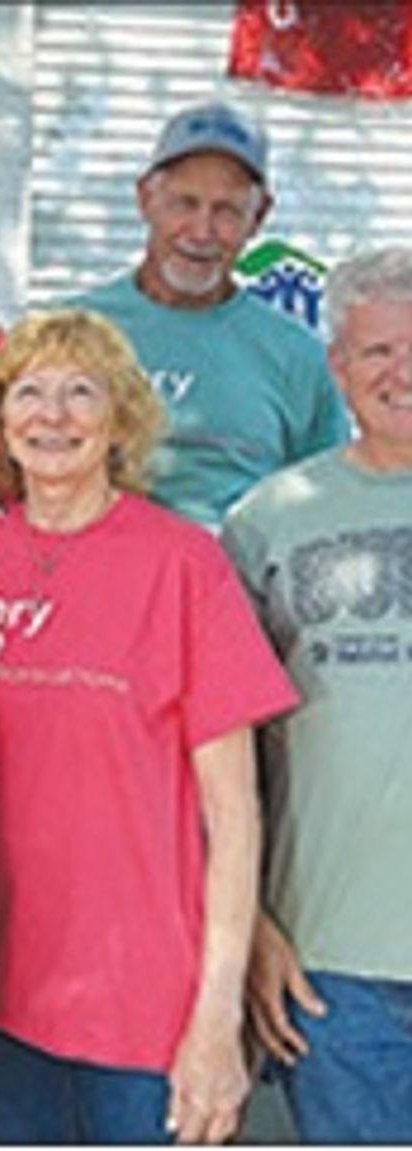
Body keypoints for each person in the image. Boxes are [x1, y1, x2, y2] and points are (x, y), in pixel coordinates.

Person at [0, 311, 298, 1143]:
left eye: (79, 391)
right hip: (2, 997)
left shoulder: (183, 564)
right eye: (28, 391)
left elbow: (235, 817)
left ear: (120, 418)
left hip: (148, 1009)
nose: (52, 414)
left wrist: (216, 1014)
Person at [222, 246, 412, 1142]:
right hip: (332, 965)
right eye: (377, 351)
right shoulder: (269, 518)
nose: (400, 372)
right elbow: (225, 755)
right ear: (336, 366)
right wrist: (252, 925)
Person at [74, 100, 349, 529]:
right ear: (146, 198)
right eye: (184, 203)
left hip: (238, 586)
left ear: (259, 218)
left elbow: (327, 504)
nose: (202, 232)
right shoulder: (70, 332)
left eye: (227, 211)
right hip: (95, 580)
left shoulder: (298, 355)